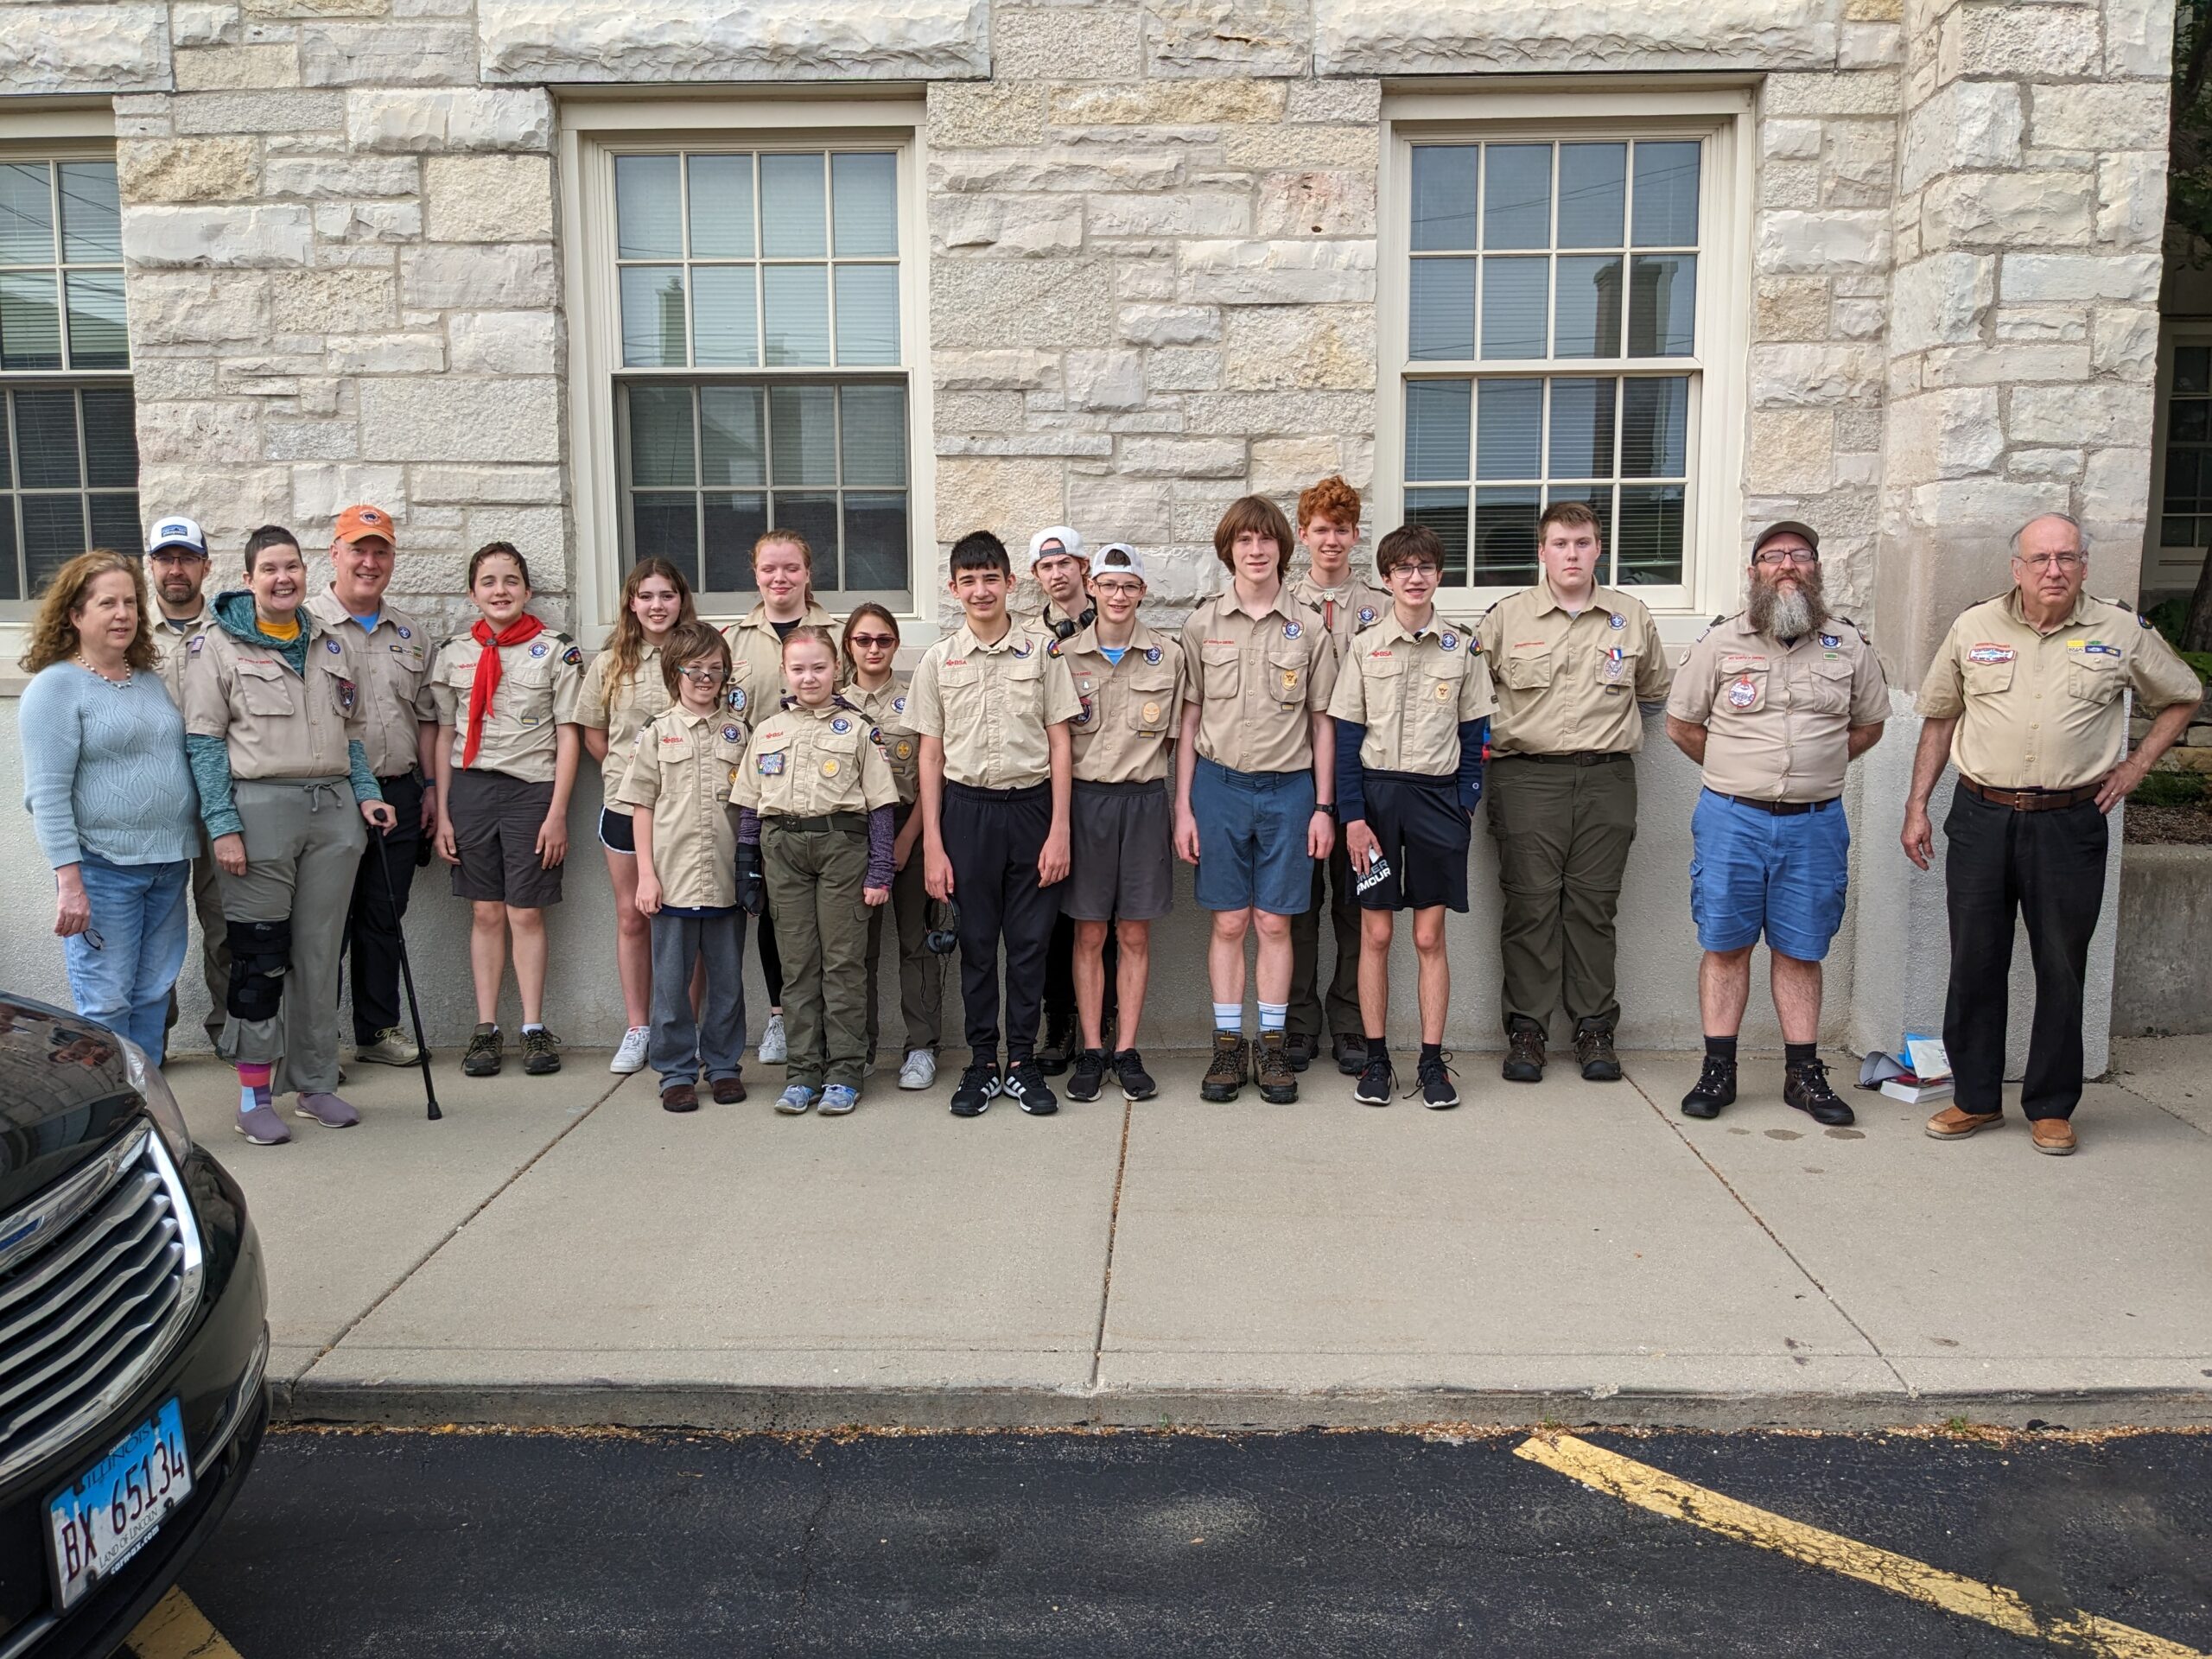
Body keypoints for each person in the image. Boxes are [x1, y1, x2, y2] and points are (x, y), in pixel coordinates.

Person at [1904, 513, 2204, 1156]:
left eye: (2067, 558)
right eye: (2040, 559)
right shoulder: (1973, 626)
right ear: (2016, 567)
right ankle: (1975, 1099)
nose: (2053, 571)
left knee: (2062, 968)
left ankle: (2050, 1106)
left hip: (2070, 822)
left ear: (2085, 566)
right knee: (1975, 961)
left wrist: (2136, 765)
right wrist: (1916, 806)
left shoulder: (2120, 630)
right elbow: (1938, 719)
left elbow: (2183, 695)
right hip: (1981, 815)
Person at [1665, 521, 1888, 1127]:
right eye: (1773, 557)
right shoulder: (1719, 644)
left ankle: (1803, 1074)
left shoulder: (1848, 645)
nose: (1786, 565)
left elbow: (1869, 724)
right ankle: (1718, 1071)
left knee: (1801, 947)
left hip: (1815, 824)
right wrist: (1737, 771)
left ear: (1817, 568)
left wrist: (1817, 768)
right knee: (1725, 943)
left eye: (1799, 556)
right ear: (1754, 572)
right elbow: (1683, 724)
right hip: (1732, 819)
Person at [181, 527, 397, 1145]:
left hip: (332, 812)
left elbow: (352, 736)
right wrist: (222, 825)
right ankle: (254, 1095)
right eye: (270, 568)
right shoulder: (214, 647)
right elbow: (203, 744)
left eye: (293, 567)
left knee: (320, 953)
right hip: (258, 811)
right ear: (247, 579)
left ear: (306, 573)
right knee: (258, 956)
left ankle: (316, 1084)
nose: (283, 578)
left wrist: (368, 795)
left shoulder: (332, 643)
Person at [1475, 501, 1673, 1084]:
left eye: (1583, 543)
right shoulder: (1507, 618)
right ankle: (1529, 1031)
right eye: (1560, 543)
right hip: (1526, 777)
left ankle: (1593, 1030)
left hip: (1607, 779)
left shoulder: (1630, 617)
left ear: (1598, 550)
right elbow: (1470, 696)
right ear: (1542, 552)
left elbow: (1657, 689)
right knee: (1530, 905)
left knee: (1593, 908)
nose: (1572, 554)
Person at [911, 530, 1081, 1119]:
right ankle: (983, 1063)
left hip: (1031, 810)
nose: (981, 590)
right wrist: (934, 844)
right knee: (979, 946)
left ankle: (1024, 1063)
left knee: (1030, 946)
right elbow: (930, 755)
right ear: (953, 588)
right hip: (966, 813)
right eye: (969, 580)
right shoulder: (939, 659)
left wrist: (1060, 828)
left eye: (992, 578)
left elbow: (1061, 742)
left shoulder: (1042, 653)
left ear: (1012, 582)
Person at [1176, 495, 1339, 1105]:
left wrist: (1324, 807)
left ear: (1281, 547)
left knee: (1274, 921)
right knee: (1228, 920)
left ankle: (1271, 1045)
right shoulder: (1202, 624)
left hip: (1289, 789)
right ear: (1229, 551)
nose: (1255, 550)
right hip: (1219, 787)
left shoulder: (1310, 626)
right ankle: (1227, 1044)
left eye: (1265, 540)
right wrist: (1184, 808)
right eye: (1243, 541)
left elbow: (1323, 722)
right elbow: (1189, 720)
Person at [1328, 522, 1493, 1109]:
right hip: (1375, 803)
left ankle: (1429, 1061)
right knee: (1375, 930)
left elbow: (1477, 738)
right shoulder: (1366, 646)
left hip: (1436, 801)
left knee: (1428, 935)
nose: (1415, 578)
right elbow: (1347, 739)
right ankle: (1376, 1060)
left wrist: (1465, 806)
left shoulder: (1462, 648)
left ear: (1438, 576)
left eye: (1425, 568)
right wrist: (1352, 817)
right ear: (1388, 578)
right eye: (1404, 569)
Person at [19, 551, 200, 1063]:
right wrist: (69, 882)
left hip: (167, 865)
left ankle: (150, 1109)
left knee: (151, 993)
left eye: (130, 602)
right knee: (105, 1001)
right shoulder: (54, 689)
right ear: (75, 615)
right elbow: (48, 796)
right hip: (103, 870)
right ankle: (113, 1116)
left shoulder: (145, 680)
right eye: (107, 603)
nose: (123, 614)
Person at [429, 542, 583, 1080]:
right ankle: (486, 1028)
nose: (501, 591)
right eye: (489, 582)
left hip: (530, 793)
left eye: (511, 581)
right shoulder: (452, 653)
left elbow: (568, 734)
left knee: (526, 911)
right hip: (470, 792)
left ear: (528, 590)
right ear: (473, 593)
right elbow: (445, 733)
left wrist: (558, 811)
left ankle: (535, 1028)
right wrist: (444, 812)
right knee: (486, 911)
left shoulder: (555, 651)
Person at [734, 626, 899, 1116]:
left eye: (819, 667)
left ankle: (845, 1072)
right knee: (797, 965)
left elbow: (882, 805)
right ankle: (803, 1072)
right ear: (785, 673)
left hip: (842, 847)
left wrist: (881, 868)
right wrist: (748, 864)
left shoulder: (859, 728)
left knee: (843, 964)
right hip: (782, 849)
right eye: (799, 668)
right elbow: (748, 805)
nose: (809, 677)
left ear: (837, 670)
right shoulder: (768, 730)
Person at [304, 504, 439, 1071]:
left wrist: (430, 787)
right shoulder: (305, 625)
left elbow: (429, 717)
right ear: (334, 554)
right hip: (331, 796)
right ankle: (315, 1042)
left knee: (384, 916)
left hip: (401, 792)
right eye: (358, 549)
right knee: (323, 924)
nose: (369, 561)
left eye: (380, 550)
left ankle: (377, 1029)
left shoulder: (410, 632)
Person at [1058, 543, 1185, 1104]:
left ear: (1141, 593)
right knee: (1088, 931)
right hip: (1085, 803)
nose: (1117, 595)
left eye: (1128, 586)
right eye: (1108, 585)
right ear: (1092, 589)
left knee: (1134, 932)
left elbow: (1182, 741)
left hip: (1143, 802)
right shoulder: (1063, 656)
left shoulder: (1168, 656)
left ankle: (1127, 1050)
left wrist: (1182, 814)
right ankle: (1091, 1049)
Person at [618, 621, 751, 1114]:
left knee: (727, 982)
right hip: (671, 881)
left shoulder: (741, 734)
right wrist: (647, 876)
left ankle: (722, 1066)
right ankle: (675, 1070)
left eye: (715, 669)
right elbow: (642, 806)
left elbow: (751, 806)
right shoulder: (656, 734)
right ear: (674, 672)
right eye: (693, 669)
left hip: (724, 880)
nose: (704, 678)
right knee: (671, 985)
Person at [721, 530, 842, 1070]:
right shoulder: (731, 641)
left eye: (791, 568)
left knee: (831, 924)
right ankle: (779, 1016)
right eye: (769, 568)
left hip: (828, 798)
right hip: (762, 800)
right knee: (773, 914)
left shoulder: (836, 634)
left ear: (808, 573)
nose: (780, 578)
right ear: (754, 573)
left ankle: (833, 1025)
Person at [1287, 475, 1389, 1075]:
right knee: (1299, 902)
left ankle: (1350, 1020)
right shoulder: (1281, 603)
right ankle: (1300, 1022)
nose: (1331, 540)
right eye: (1321, 529)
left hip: (1368, 775)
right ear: (1304, 535)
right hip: (1298, 770)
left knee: (1357, 901)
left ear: (1355, 536)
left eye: (1341, 530)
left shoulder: (1378, 605)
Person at [579, 558, 696, 1076]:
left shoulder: (700, 654)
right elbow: (594, 734)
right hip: (627, 806)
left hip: (689, 808)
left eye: (666, 595)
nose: (656, 605)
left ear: (681, 599)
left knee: (688, 919)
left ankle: (685, 1027)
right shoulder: (610, 664)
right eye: (646, 596)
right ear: (631, 603)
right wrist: (634, 775)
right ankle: (638, 1027)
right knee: (633, 917)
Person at [842, 605, 944, 1090]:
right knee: (855, 949)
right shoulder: (833, 703)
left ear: (897, 644)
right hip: (851, 836)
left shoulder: (915, 700)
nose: (874, 649)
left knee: (916, 943)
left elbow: (931, 774)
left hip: (910, 828)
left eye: (884, 640)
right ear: (849, 646)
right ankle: (856, 1046)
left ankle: (921, 1047)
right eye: (863, 640)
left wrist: (907, 838)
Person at [1014, 525, 1097, 1074]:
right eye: (1046, 567)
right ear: (1036, 577)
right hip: (1051, 791)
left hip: (1110, 788)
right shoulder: (1028, 638)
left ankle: (1105, 1021)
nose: (1057, 574)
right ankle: (1059, 1021)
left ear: (1083, 567)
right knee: (1053, 918)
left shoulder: (1117, 620)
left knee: (1105, 918)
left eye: (1065, 563)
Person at [144, 514, 227, 1049]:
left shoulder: (231, 631)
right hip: (154, 799)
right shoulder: (129, 632)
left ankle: (229, 1027)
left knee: (224, 918)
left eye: (186, 558)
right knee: (156, 922)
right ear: (150, 566)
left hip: (222, 794)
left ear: (204, 566)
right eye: (166, 559)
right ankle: (155, 1033)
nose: (176, 570)